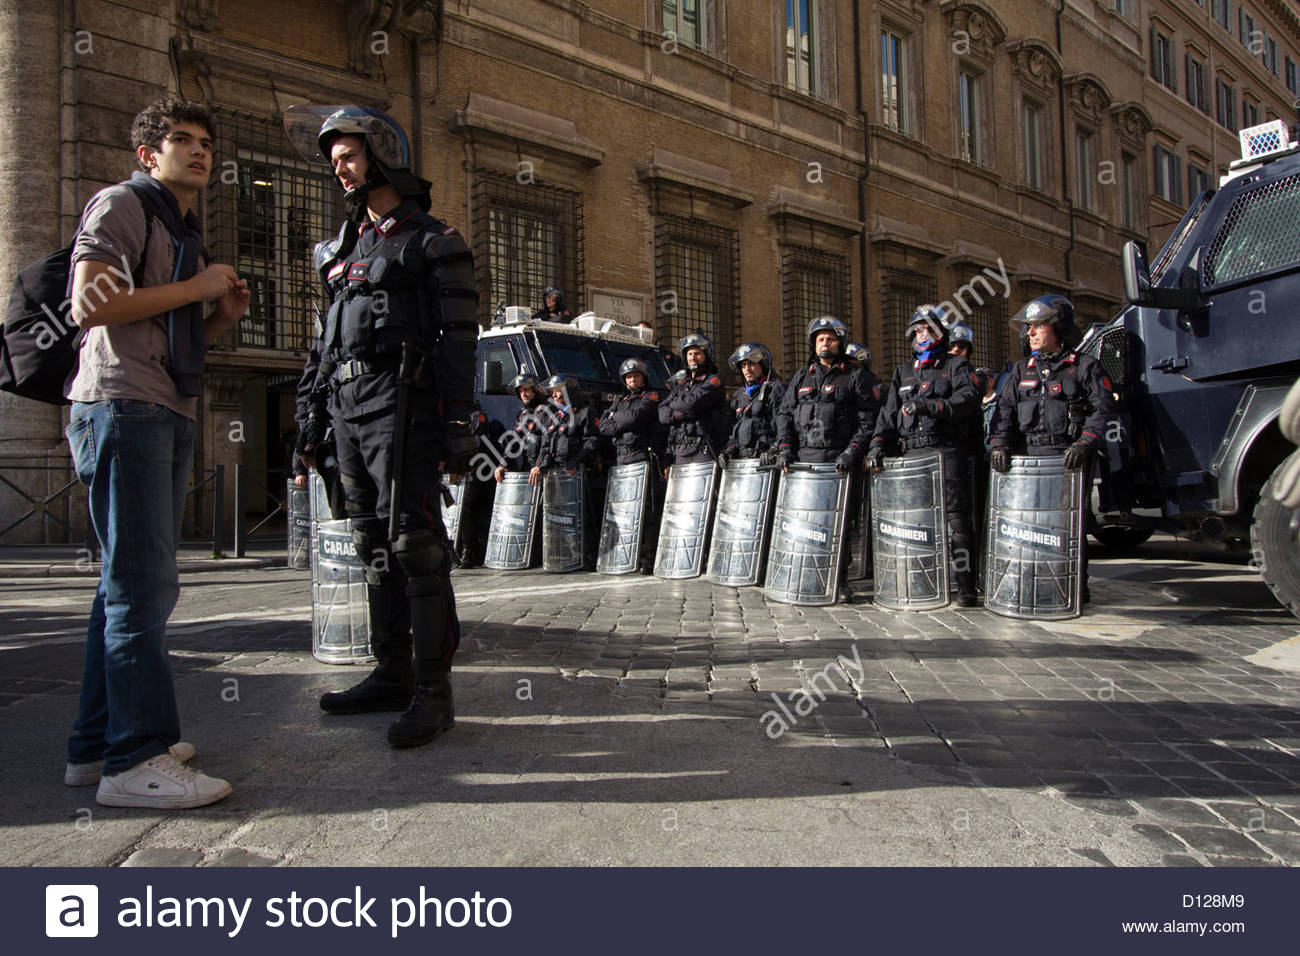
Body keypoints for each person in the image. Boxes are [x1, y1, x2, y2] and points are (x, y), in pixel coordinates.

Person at [63, 97, 248, 808]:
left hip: (162, 404)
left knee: (127, 585)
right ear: (149, 154)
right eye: (180, 139)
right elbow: (90, 304)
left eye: (205, 140)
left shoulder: (183, 229)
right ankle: (134, 760)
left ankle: (94, 746)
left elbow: (176, 334)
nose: (197, 151)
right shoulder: (122, 205)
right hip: (121, 404)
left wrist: (217, 316)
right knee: (142, 587)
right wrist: (195, 286)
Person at [293, 106, 479, 748]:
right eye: (334, 159)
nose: (339, 168)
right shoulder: (344, 249)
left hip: (406, 408)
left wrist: (459, 424)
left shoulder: (433, 240)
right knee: (371, 546)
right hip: (348, 411)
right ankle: (392, 671)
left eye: (348, 155)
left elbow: (460, 340)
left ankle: (435, 692)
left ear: (382, 153)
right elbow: (323, 345)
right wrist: (309, 419)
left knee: (416, 549)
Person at [989, 294, 1117, 602]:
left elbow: (1103, 408)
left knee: (1068, 527)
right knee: (1026, 526)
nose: (1029, 333)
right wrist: (1000, 444)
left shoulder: (1084, 366)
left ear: (1058, 328)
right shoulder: (1020, 372)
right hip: (1028, 462)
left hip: (1067, 458)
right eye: (1028, 328)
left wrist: (1086, 440)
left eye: (1037, 327)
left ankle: (1072, 587)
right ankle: (1030, 584)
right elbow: (1003, 413)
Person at [867, 305, 982, 606]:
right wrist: (877, 444)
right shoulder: (903, 371)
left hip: (945, 450)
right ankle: (922, 578)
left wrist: (933, 407)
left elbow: (969, 398)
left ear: (941, 333)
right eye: (918, 329)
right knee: (916, 522)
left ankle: (966, 585)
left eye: (929, 329)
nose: (922, 334)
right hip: (912, 452)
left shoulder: (956, 365)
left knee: (956, 520)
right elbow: (889, 414)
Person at [598, 358, 665, 570]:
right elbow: (603, 426)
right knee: (625, 511)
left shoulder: (651, 397)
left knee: (647, 510)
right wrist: (620, 420)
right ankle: (629, 555)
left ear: (644, 377)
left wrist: (616, 420)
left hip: (641, 457)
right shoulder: (620, 401)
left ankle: (648, 557)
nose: (633, 380)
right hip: (622, 459)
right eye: (629, 377)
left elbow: (636, 417)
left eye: (636, 376)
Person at [533, 372, 602, 567]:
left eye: (558, 392)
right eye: (553, 393)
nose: (554, 396)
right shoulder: (553, 416)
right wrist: (543, 464)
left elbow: (592, 442)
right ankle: (564, 556)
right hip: (556, 475)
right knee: (560, 517)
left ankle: (586, 557)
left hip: (577, 472)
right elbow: (546, 445)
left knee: (582, 516)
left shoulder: (585, 412)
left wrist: (575, 462)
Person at [657, 330, 732, 468]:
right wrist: (681, 410)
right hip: (680, 450)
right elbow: (662, 413)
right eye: (689, 354)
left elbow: (690, 405)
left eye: (697, 353)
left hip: (703, 449)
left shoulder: (713, 381)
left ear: (706, 355)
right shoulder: (681, 384)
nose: (692, 357)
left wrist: (674, 407)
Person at [721, 343, 785, 461]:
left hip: (766, 460)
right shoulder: (740, 395)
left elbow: (783, 424)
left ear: (763, 365)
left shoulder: (775, 389)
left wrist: (775, 449)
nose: (747, 369)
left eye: (751, 364)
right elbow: (736, 428)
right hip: (744, 461)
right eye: (743, 365)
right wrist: (729, 449)